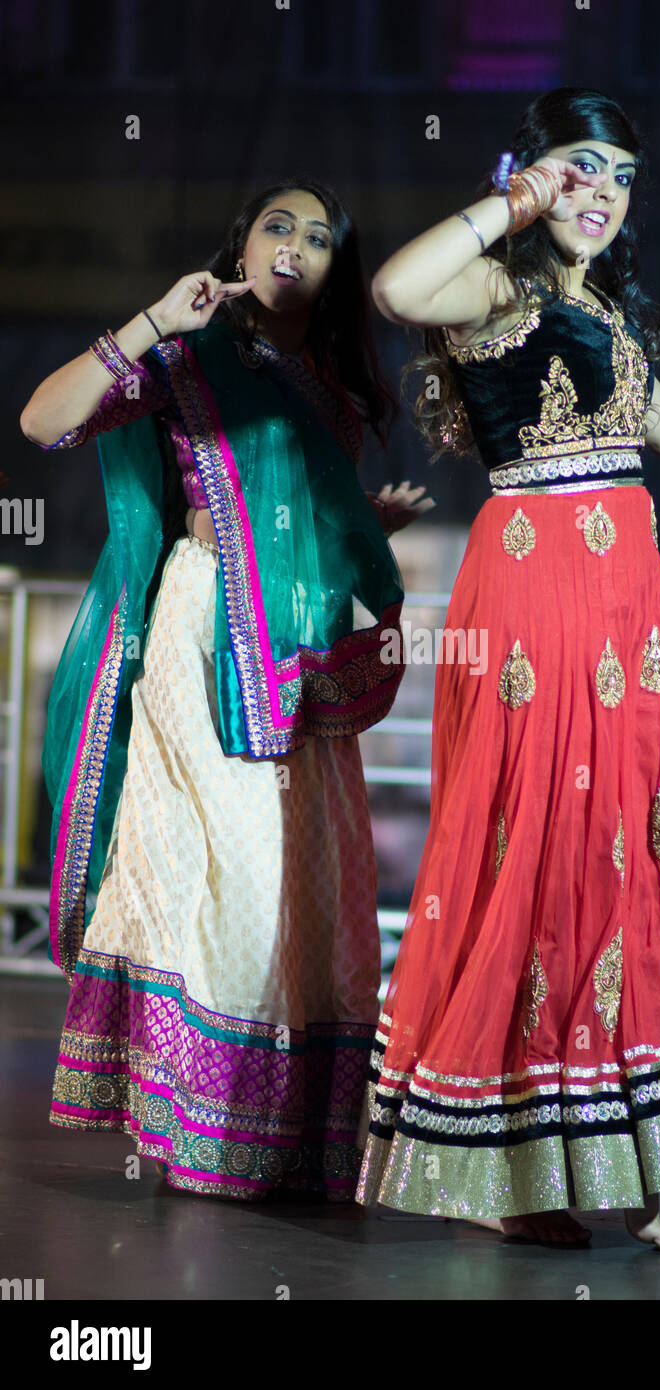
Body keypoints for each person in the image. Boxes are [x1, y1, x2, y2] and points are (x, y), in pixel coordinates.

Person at [355, 88, 660, 1250]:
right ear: (530, 176)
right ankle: (536, 1170)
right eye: (581, 168)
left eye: (622, 176)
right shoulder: (496, 290)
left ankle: (603, 1141)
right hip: (540, 594)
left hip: (634, 603)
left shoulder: (604, 314)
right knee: (555, 861)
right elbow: (393, 289)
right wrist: (511, 203)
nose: (603, 194)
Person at [21, 178, 433, 1202]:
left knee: (303, 879)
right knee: (217, 869)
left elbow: (294, 514)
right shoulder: (191, 356)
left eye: (320, 238)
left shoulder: (331, 385)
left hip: (300, 650)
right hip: (203, 638)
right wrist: (159, 317)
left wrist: (357, 530)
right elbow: (44, 421)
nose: (294, 246)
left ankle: (275, 1129)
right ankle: (195, 1119)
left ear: (337, 270)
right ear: (242, 243)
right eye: (276, 226)